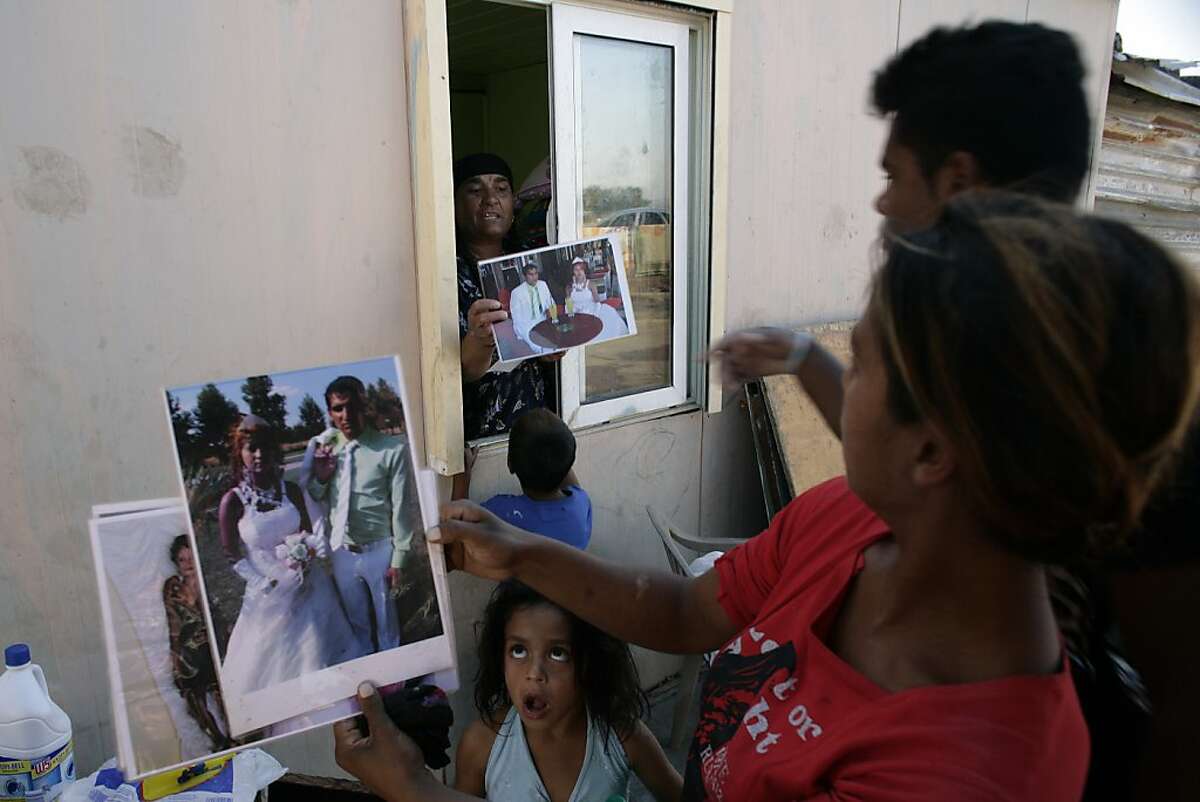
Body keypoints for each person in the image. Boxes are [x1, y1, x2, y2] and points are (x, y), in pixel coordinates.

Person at [347, 194, 1200, 801]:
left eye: (860, 364)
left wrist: (416, 788)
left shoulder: (971, 772)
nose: (834, 382)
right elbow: (683, 610)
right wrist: (524, 554)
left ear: (932, 451)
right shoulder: (850, 520)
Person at [708, 20, 1197, 799]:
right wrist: (806, 359)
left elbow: (1182, 697)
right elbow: (907, 444)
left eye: (894, 172)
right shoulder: (971, 327)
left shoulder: (1101, 354)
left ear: (959, 180)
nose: (881, 199)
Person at [336, 581, 683, 802]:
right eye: (518, 650)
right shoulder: (483, 744)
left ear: (590, 661)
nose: (534, 673)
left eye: (557, 653)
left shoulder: (621, 736)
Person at [217, 415, 363, 695]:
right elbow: (230, 553)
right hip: (268, 592)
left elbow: (306, 530)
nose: (259, 455)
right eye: (251, 448)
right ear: (239, 453)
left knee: (317, 646)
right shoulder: (232, 501)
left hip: (309, 584)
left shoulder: (290, 490)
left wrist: (308, 551)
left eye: (265, 447)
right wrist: (261, 582)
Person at [309, 376, 421, 653]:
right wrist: (321, 477)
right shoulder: (327, 447)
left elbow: (401, 508)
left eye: (351, 406)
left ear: (364, 405)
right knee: (356, 621)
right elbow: (315, 494)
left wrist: (399, 557)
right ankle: (365, 663)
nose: (345, 415)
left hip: (379, 550)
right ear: (330, 413)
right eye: (338, 409)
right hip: (343, 552)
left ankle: (393, 667)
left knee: (386, 621)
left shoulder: (391, 449)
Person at [454, 153, 553, 440]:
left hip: (534, 434)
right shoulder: (443, 277)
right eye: (475, 190)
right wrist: (481, 340)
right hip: (477, 441)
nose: (491, 199)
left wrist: (552, 348)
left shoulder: (532, 264)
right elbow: (459, 370)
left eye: (501, 189)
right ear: (454, 204)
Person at [452, 408, 592, 550]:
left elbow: (458, 532)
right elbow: (564, 467)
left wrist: (462, 477)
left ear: (510, 464)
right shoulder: (579, 505)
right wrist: (556, 448)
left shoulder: (502, 514)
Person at [163, 534, 230, 750]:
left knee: (224, 694)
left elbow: (222, 616)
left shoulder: (209, 581)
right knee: (194, 698)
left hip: (214, 647)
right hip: (190, 650)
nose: (187, 564)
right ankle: (218, 740)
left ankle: (235, 736)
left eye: (191, 558)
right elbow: (173, 623)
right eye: (182, 560)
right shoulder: (173, 587)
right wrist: (175, 655)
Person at [508, 263, 556, 354]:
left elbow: (551, 303)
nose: (534, 277)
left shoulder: (543, 284)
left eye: (536, 273)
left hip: (543, 320)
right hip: (527, 324)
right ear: (525, 276)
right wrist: (523, 333)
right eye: (531, 274)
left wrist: (553, 319)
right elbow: (516, 318)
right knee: (540, 347)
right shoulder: (516, 293)